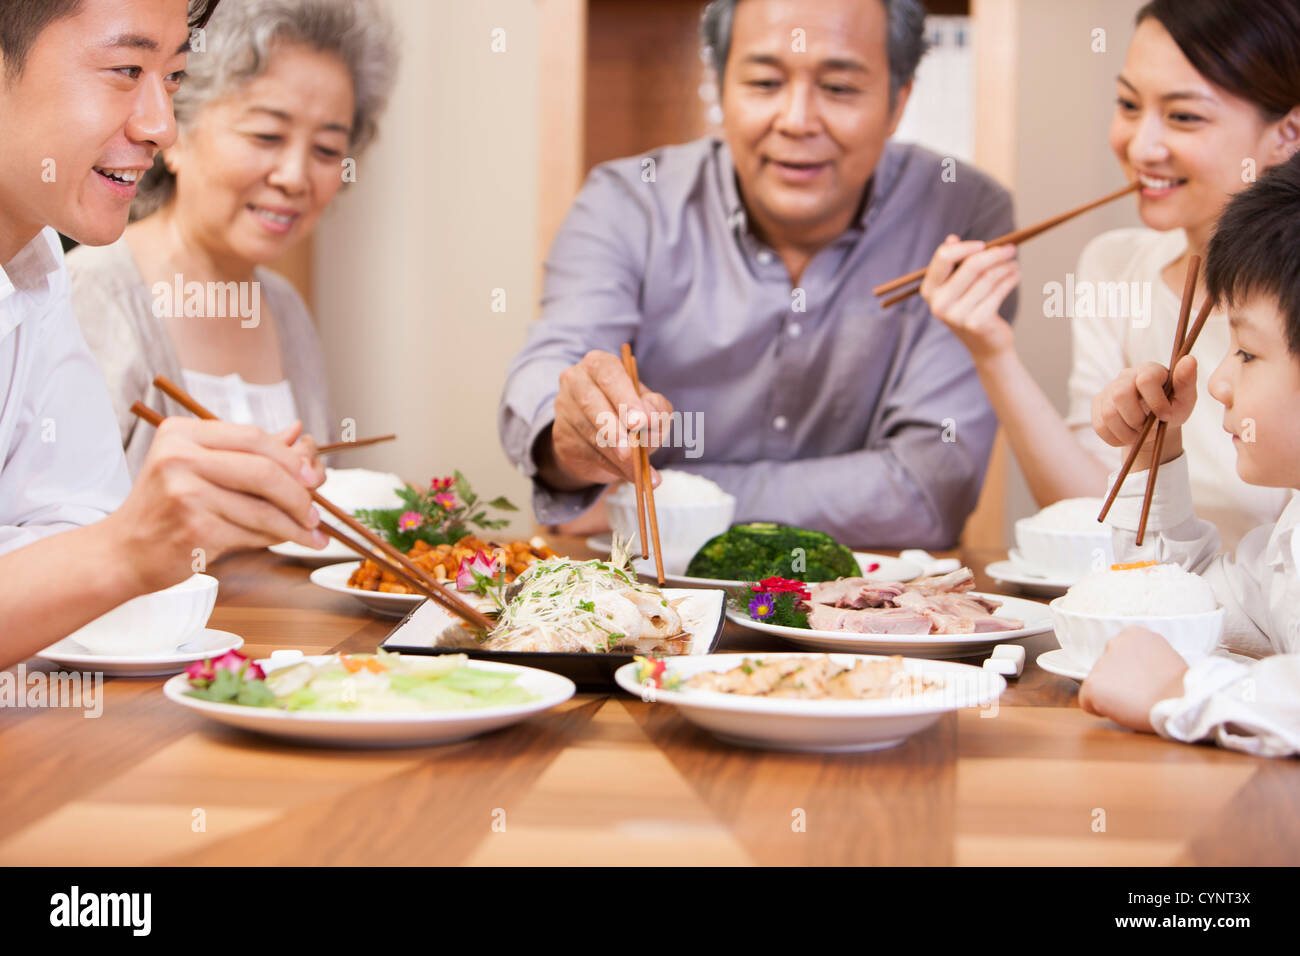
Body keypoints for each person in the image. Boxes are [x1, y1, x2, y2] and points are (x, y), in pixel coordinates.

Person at [498, 0, 1017, 549]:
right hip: (652, 600)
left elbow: (928, 489)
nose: (796, 121)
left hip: (864, 613)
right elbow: (548, 372)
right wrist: (569, 441)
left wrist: (651, 498)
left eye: (839, 88)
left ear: (898, 102)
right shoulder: (626, 203)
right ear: (720, 87)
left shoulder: (963, 217)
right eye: (765, 82)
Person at [0, 0, 329, 669]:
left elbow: (65, 532)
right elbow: (90, 553)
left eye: (174, 76)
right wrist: (129, 547)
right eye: (125, 68)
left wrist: (131, 542)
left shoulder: (37, 273)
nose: (162, 127)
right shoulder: (94, 278)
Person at [916, 0, 1300, 548]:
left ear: (1289, 131)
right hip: (1156, 609)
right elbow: (1093, 519)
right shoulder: (1114, 267)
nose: (1140, 146)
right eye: (1127, 104)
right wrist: (991, 351)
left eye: (1184, 116)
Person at [68, 0, 397, 476]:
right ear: (176, 133)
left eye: (327, 149)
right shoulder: (91, 295)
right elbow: (49, 532)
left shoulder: (287, 310)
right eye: (267, 135)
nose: (295, 177)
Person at [1078, 153, 1300, 758]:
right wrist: (1156, 454)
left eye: (1247, 354)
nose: (1220, 383)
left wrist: (1182, 689)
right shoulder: (1291, 534)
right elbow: (1190, 606)